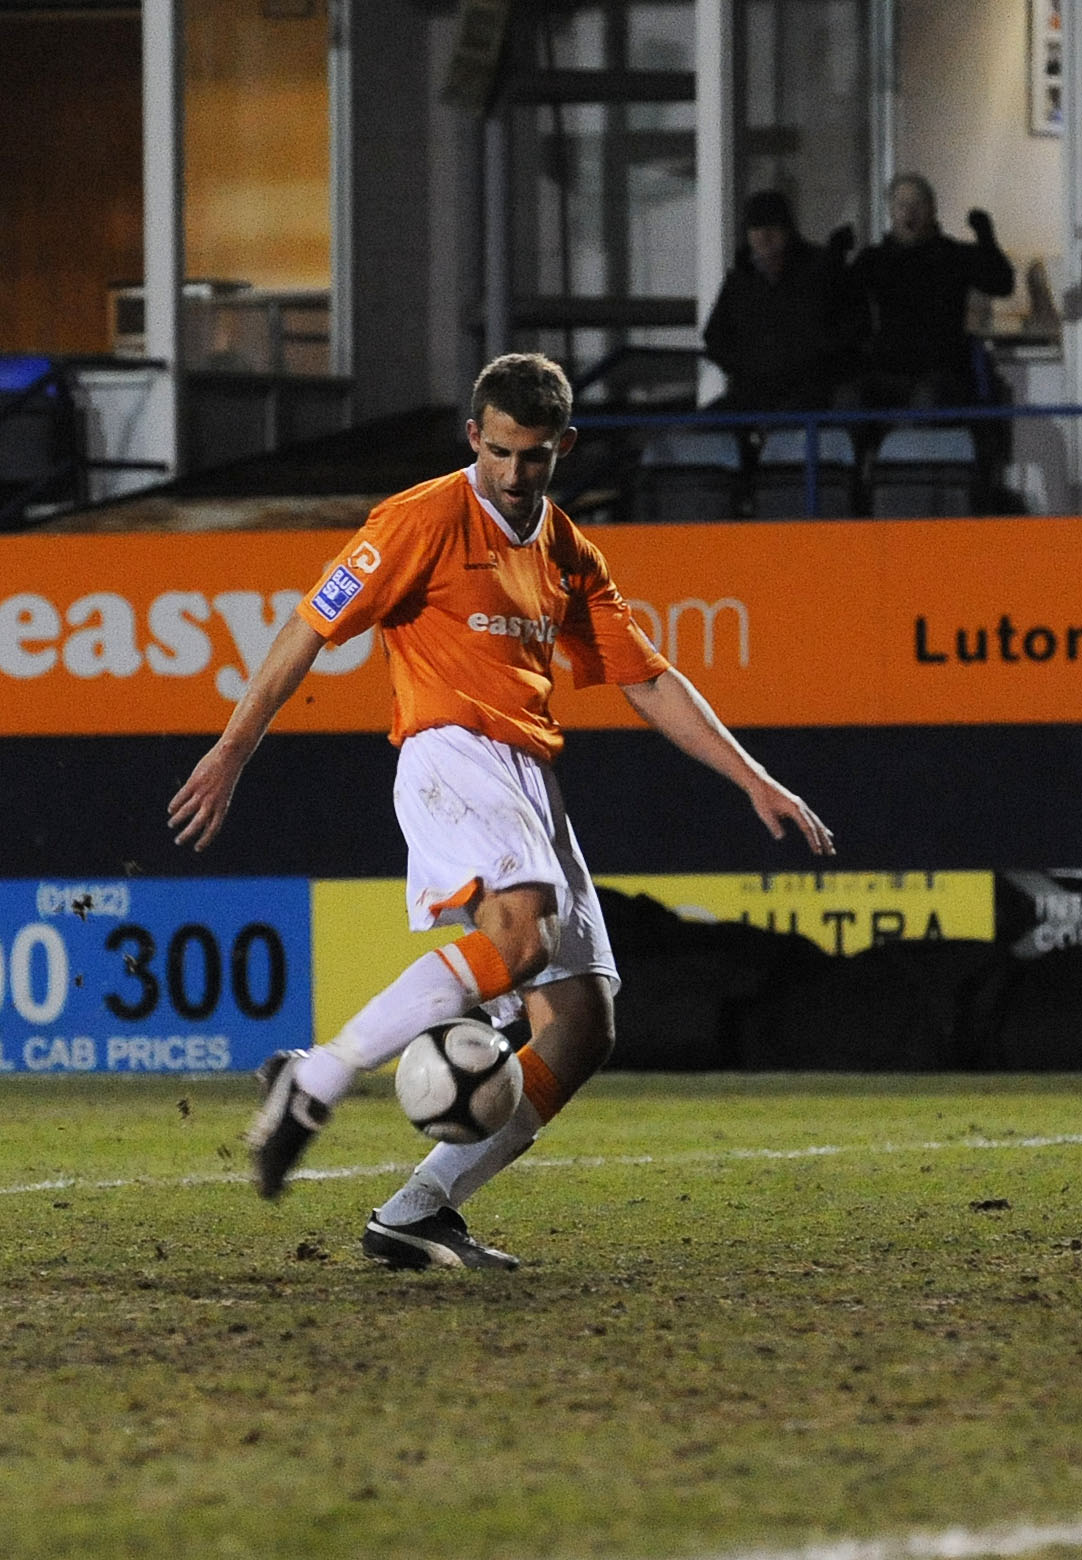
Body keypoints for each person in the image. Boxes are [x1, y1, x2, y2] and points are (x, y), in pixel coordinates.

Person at [168, 352, 835, 1272]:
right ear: (473, 437)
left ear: (564, 446)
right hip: (451, 750)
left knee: (583, 1023)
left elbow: (647, 677)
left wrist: (754, 777)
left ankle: (417, 1210)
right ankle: (311, 1078)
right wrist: (236, 747)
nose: (517, 477)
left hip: (528, 773)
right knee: (519, 941)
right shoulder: (421, 518)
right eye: (502, 454)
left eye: (536, 457)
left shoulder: (565, 546)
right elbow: (309, 626)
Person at [844, 174, 1014, 409]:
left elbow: (1001, 283)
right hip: (888, 370)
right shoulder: (875, 260)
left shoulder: (952, 256)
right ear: (891, 211)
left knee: (927, 400)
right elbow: (839, 298)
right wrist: (834, 259)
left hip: (941, 372)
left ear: (932, 209)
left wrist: (986, 239)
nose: (910, 212)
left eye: (918, 204)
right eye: (902, 205)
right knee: (849, 399)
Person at [702, 189, 863, 414]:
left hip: (812, 396)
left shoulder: (821, 274)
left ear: (787, 231)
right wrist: (751, 366)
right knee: (695, 434)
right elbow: (715, 338)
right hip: (751, 395)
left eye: (772, 227)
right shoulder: (740, 281)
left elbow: (849, 331)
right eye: (756, 228)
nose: (763, 236)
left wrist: (811, 364)